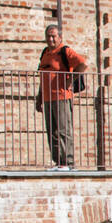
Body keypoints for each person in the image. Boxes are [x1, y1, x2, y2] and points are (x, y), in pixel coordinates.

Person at [35, 24, 87, 169]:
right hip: (47, 98)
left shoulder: (65, 51)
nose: (50, 39)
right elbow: (43, 77)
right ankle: (58, 162)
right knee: (52, 132)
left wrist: (71, 80)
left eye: (53, 36)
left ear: (60, 37)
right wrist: (39, 97)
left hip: (62, 97)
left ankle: (68, 162)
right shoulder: (45, 53)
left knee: (63, 130)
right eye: (48, 36)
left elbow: (82, 64)